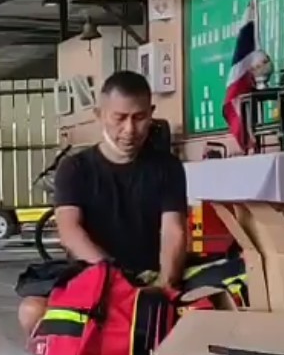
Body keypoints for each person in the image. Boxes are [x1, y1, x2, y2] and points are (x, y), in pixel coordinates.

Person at [17, 70, 190, 334]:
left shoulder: (168, 168)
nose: (129, 129)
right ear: (99, 115)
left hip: (151, 276)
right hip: (93, 276)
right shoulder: (75, 168)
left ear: (151, 113)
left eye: (139, 117)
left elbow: (173, 231)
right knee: (32, 311)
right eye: (119, 118)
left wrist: (166, 282)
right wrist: (113, 275)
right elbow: (70, 231)